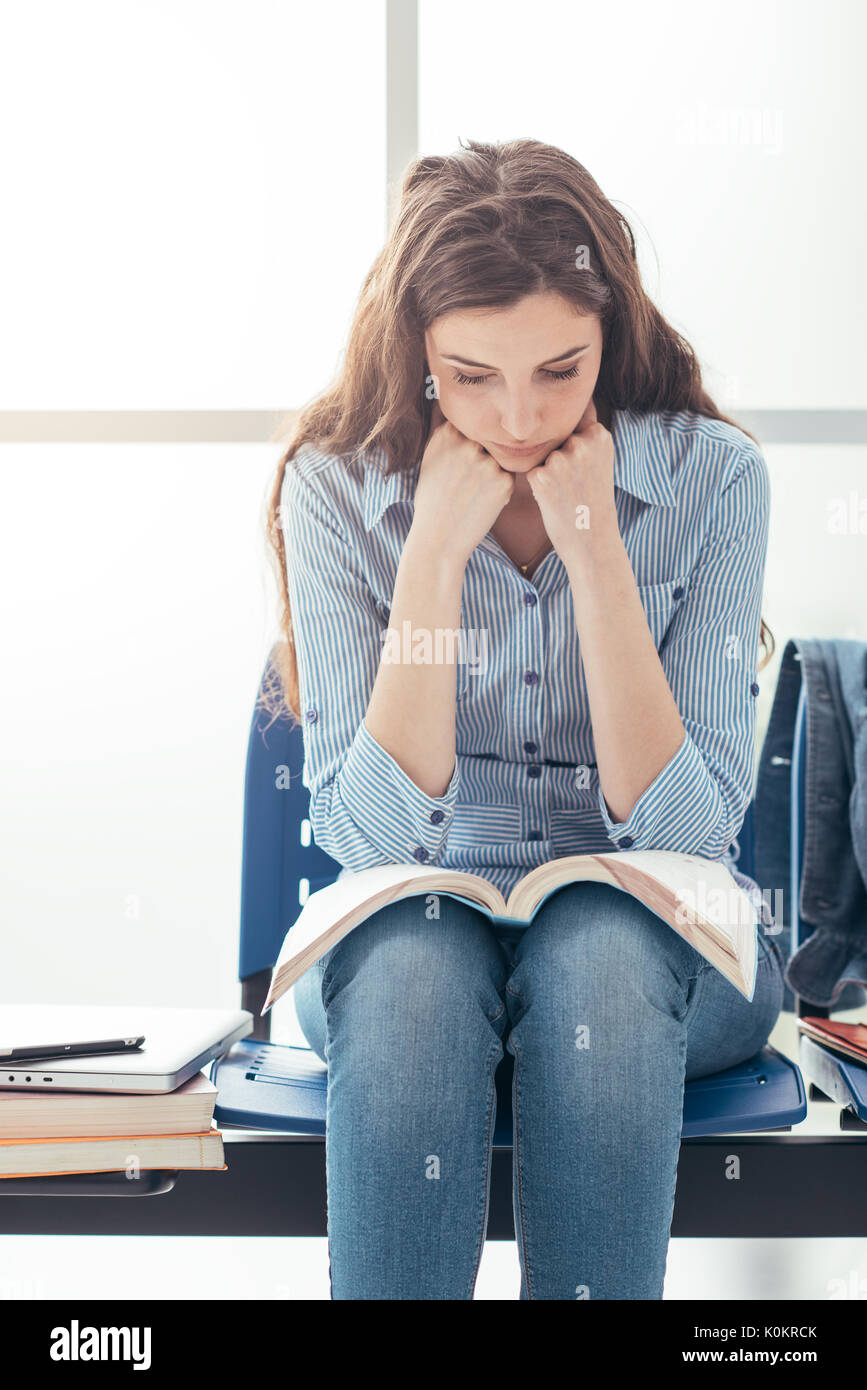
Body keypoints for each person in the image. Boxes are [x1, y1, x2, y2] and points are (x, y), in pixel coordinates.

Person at [263, 136, 785, 1299]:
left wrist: (597, 548)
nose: (518, 416)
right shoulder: (338, 486)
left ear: (612, 328)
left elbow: (687, 832)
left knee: (596, 953)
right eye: (471, 374)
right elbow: (365, 836)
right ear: (416, 351)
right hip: (422, 941)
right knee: (408, 983)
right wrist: (433, 557)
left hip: (658, 958)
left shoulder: (714, 481)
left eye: (561, 369)